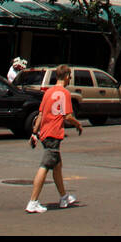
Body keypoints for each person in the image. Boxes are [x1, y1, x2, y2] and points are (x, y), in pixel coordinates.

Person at [26, 65, 83, 214]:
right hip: (54, 134)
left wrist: (34, 133)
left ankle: (64, 197)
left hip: (45, 133)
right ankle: (33, 201)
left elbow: (40, 114)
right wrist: (78, 125)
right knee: (45, 166)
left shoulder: (48, 92)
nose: (70, 79)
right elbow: (68, 116)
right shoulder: (64, 93)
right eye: (69, 76)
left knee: (57, 165)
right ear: (65, 77)